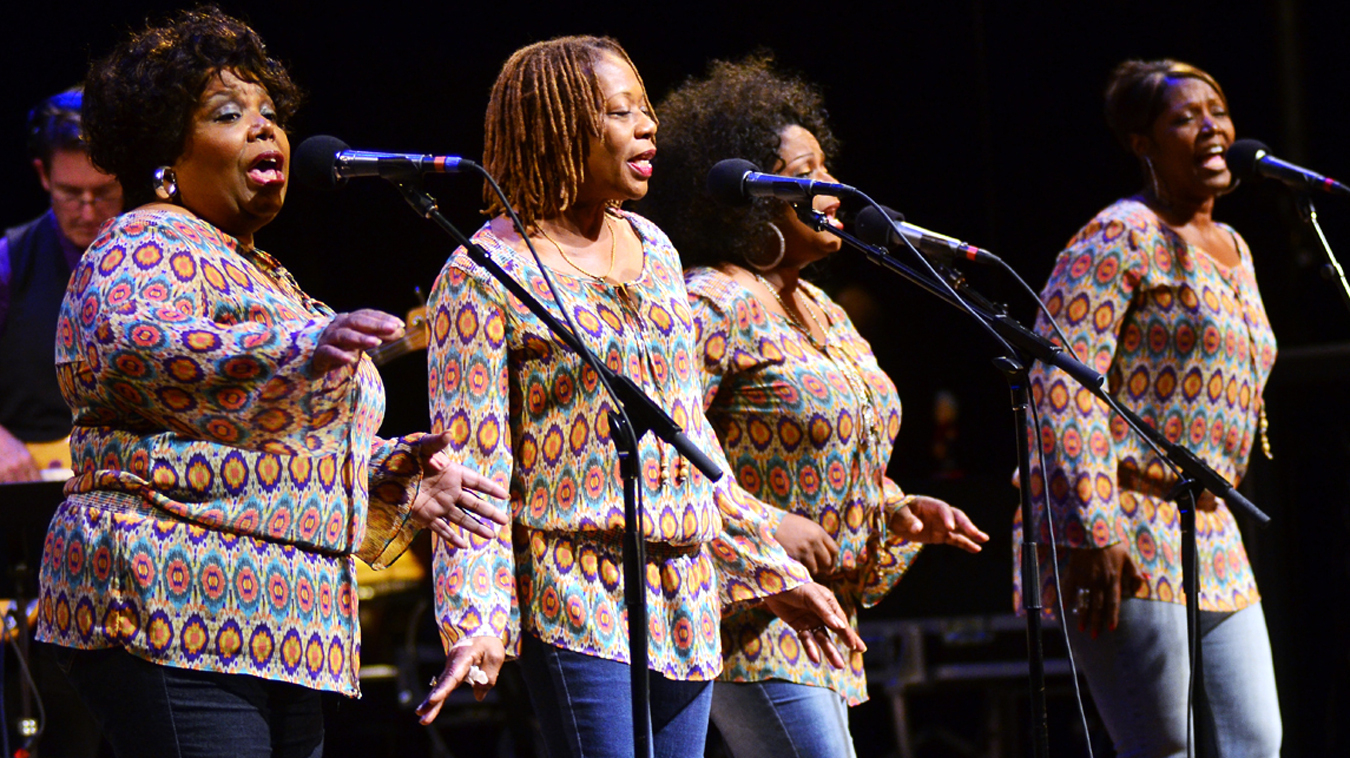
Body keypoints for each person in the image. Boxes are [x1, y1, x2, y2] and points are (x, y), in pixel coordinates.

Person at [34, 9, 509, 756]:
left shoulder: (263, 274)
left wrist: (389, 475)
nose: (266, 129)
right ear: (165, 154)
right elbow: (144, 350)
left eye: (269, 113)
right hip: (175, 601)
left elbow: (257, 438)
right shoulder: (142, 240)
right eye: (229, 115)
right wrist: (301, 347)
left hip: (282, 625)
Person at [416, 36, 865, 757]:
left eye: (645, 110)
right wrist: (477, 618)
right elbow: (474, 473)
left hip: (685, 591)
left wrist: (767, 567)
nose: (648, 127)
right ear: (559, 127)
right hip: (575, 587)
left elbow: (689, 439)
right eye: (621, 112)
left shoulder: (655, 251)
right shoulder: (482, 273)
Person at [640, 54, 989, 758]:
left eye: (828, 168)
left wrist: (894, 508)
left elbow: (836, 447)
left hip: (819, 613)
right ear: (750, 197)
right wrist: (765, 526)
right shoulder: (709, 303)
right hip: (748, 610)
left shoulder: (824, 311)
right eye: (808, 173)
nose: (832, 188)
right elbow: (656, 453)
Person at [1015, 59, 1281, 757]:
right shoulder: (1119, 235)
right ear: (1142, 143)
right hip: (1127, 521)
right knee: (1164, 746)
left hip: (1211, 528)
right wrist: (1093, 527)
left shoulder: (1235, 247)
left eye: (1217, 110)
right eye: (1185, 118)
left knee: (1256, 741)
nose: (1211, 127)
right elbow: (1059, 379)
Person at [0, 88, 122, 482]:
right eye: (70, 193)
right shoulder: (9, 260)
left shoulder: (160, 256)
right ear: (43, 175)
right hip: (33, 484)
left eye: (103, 192)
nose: (87, 211)